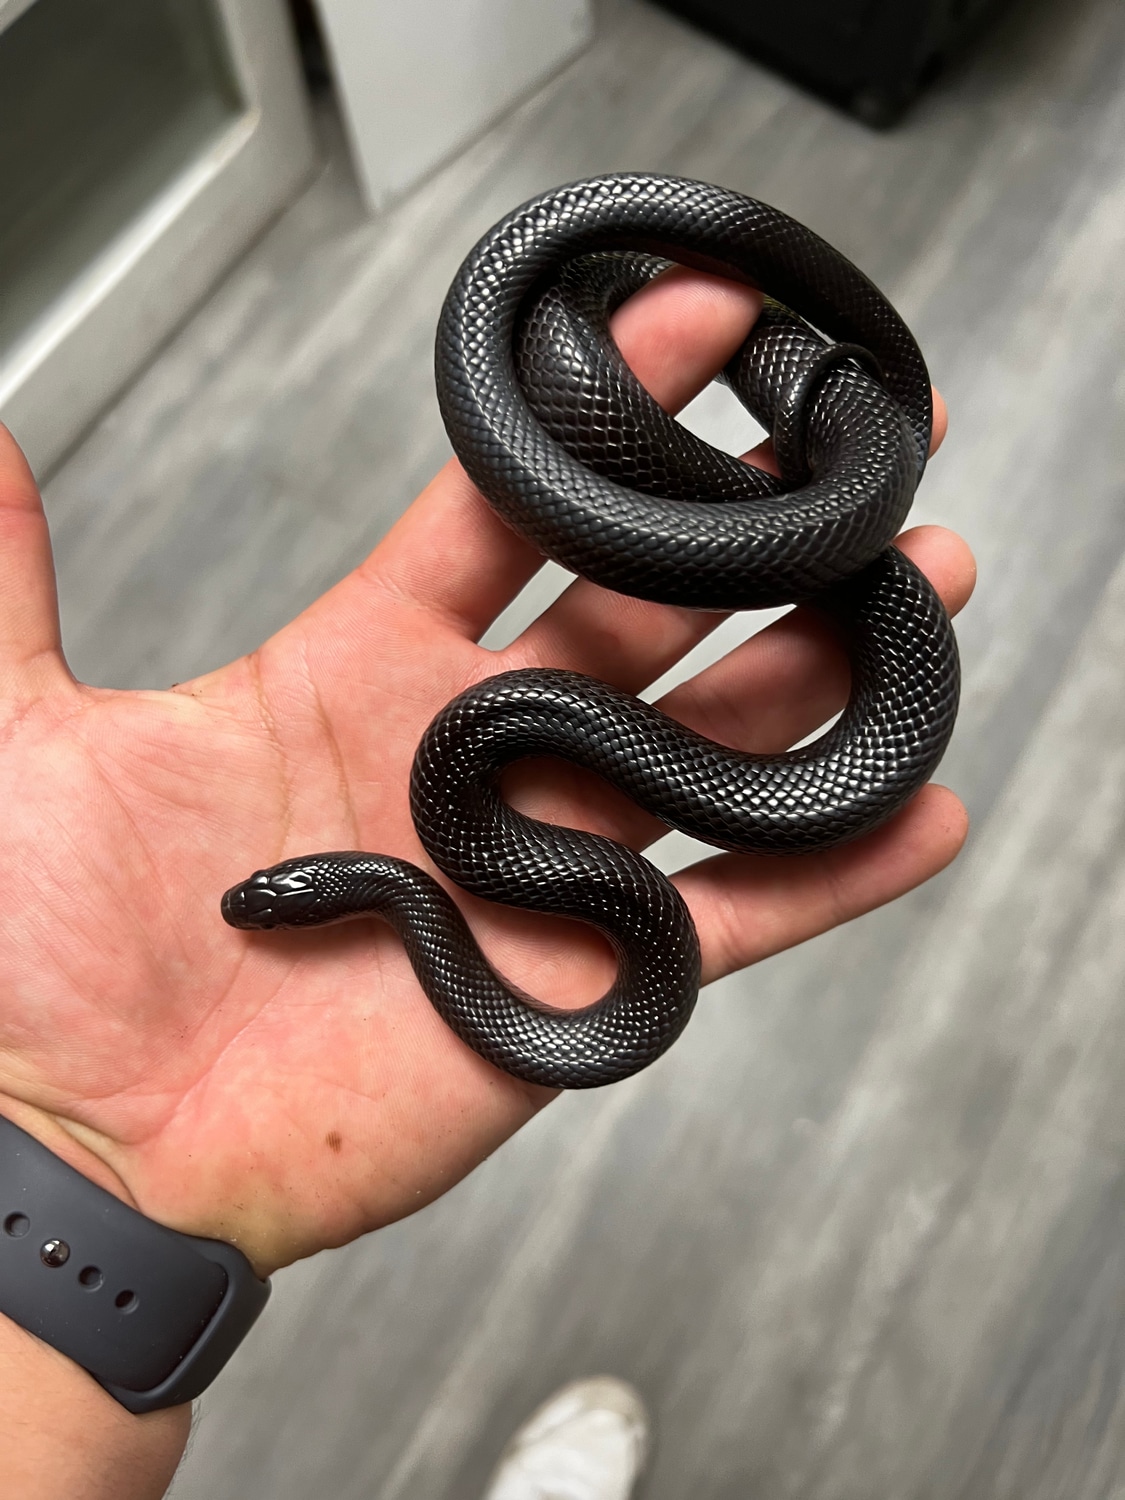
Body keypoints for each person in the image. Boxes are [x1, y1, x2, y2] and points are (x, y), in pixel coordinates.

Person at [0, 266, 974, 1497]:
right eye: (270, 900)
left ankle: (794, 455)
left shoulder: (455, 829)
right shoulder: (451, 850)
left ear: (333, 896)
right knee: (768, 456)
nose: (258, 906)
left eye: (267, 899)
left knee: (744, 427)